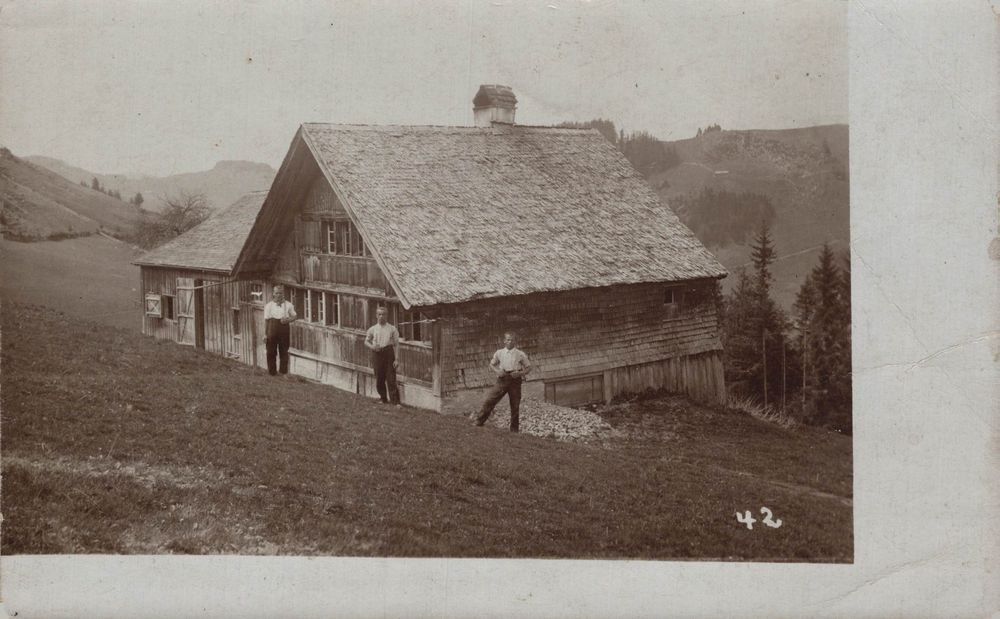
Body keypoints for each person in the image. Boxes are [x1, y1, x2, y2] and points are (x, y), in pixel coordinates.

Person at [474, 332, 531, 432]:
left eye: (512, 340)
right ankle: (479, 421)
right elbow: (491, 364)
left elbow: (529, 368)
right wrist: (497, 371)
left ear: (515, 341)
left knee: (515, 405)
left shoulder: (520, 354)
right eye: (508, 339)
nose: (510, 342)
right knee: (490, 400)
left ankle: (514, 430)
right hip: (502, 379)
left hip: (515, 380)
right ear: (504, 341)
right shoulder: (499, 352)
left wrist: (520, 373)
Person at [364, 306, 401, 406]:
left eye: (383, 314)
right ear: (376, 316)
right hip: (377, 354)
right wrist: (372, 347)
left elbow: (396, 344)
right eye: (379, 314)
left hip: (389, 353)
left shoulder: (392, 329)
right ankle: (383, 398)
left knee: (391, 378)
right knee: (379, 377)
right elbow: (366, 341)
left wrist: (396, 359)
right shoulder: (373, 329)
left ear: (387, 316)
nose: (381, 316)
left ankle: (395, 401)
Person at [263, 285, 296, 376]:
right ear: (273, 294)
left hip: (284, 329)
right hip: (272, 328)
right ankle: (272, 372)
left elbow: (294, 316)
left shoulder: (288, 305)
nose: (278, 295)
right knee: (270, 351)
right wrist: (265, 334)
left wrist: (288, 320)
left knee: (284, 350)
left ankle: (283, 372)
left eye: (280, 293)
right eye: (276, 293)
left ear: (283, 294)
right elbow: (266, 321)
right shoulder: (268, 306)